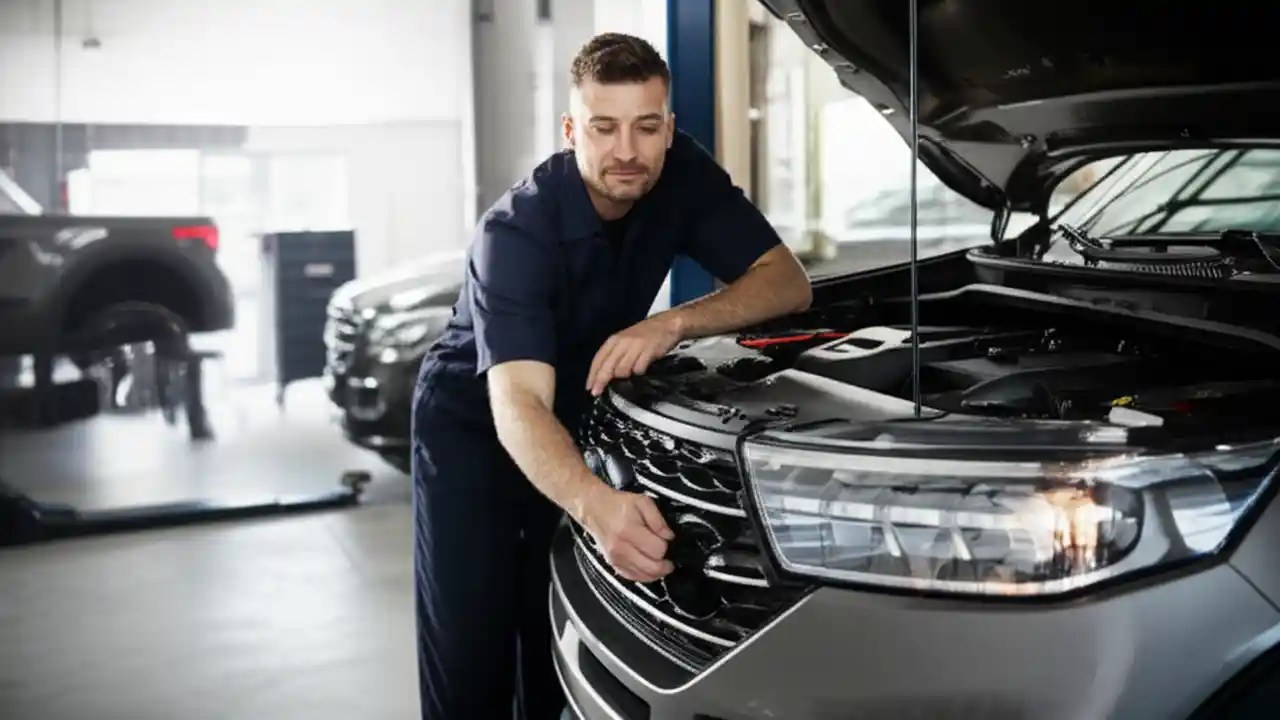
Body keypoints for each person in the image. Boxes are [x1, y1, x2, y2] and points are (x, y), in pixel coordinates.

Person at [410, 32, 813, 719]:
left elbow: (787, 284)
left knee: (553, 634)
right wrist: (597, 508)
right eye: (604, 127)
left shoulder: (680, 173)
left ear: (668, 128)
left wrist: (670, 322)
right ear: (573, 131)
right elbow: (517, 402)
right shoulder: (516, 232)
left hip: (573, 419)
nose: (627, 150)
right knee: (471, 647)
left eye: (646, 127)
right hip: (475, 426)